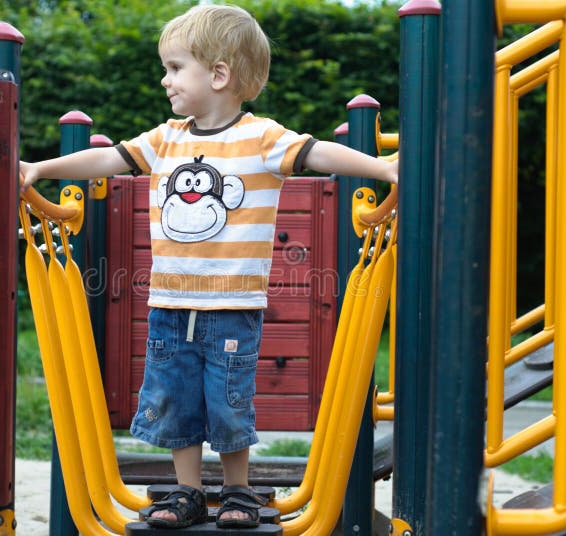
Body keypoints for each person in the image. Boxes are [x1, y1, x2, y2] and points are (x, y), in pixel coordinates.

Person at [20, 3, 398, 529]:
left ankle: (240, 492)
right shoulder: (166, 138)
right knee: (174, 399)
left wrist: (383, 169)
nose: (165, 79)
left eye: (175, 68)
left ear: (218, 74)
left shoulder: (262, 137)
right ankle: (187, 493)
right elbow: (106, 161)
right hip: (170, 305)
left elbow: (320, 155)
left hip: (232, 307)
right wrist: (39, 168)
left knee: (228, 402)